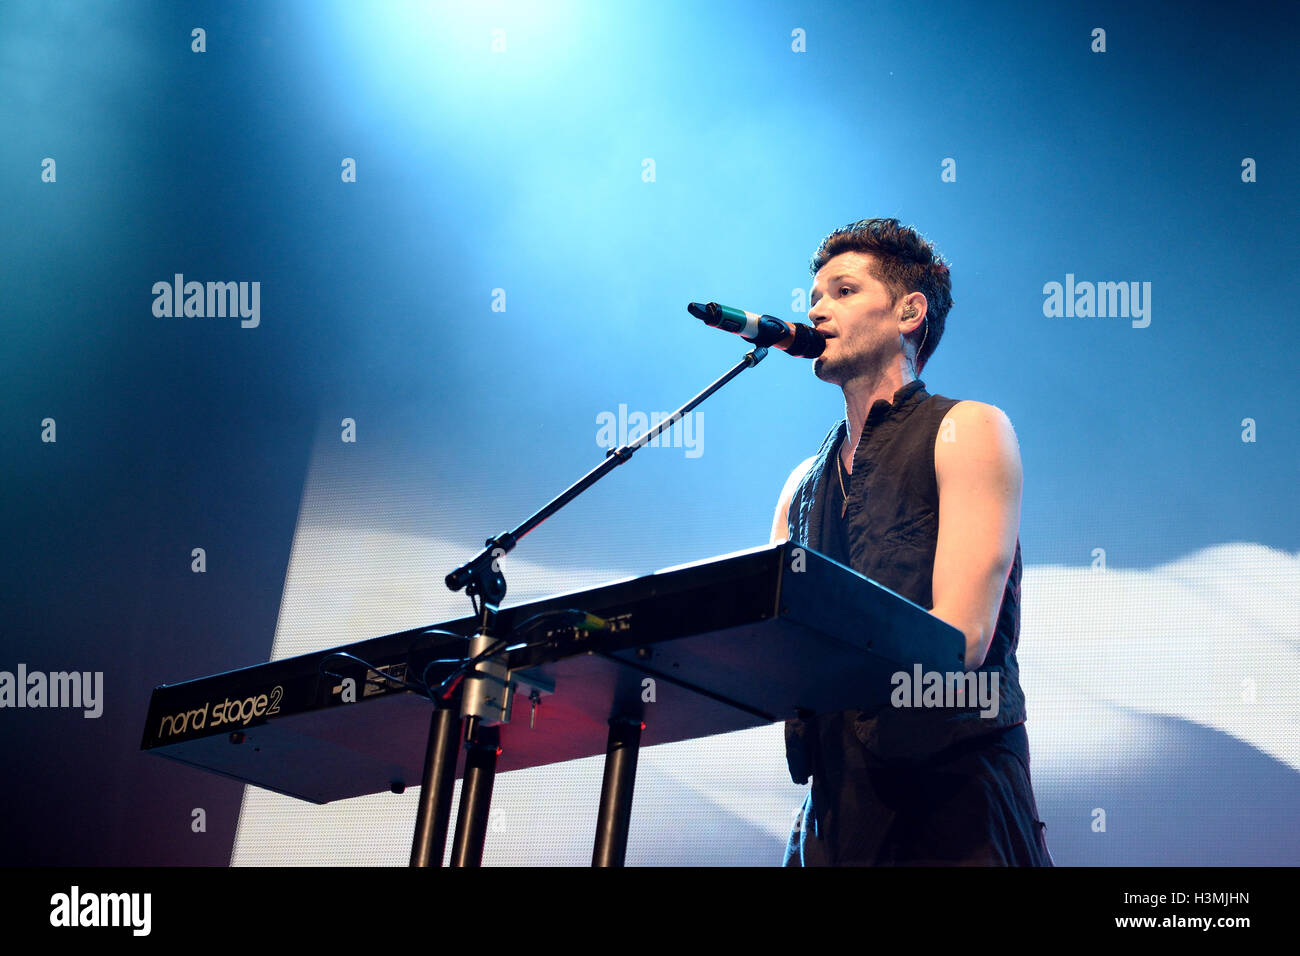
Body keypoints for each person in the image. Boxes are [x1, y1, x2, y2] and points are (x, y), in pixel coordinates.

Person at [771, 218, 1052, 866]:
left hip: (956, 807)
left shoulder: (969, 429)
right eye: (813, 296)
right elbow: (779, 658)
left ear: (909, 309)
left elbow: (960, 640)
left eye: (843, 290)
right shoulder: (799, 485)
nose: (817, 308)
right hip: (835, 817)